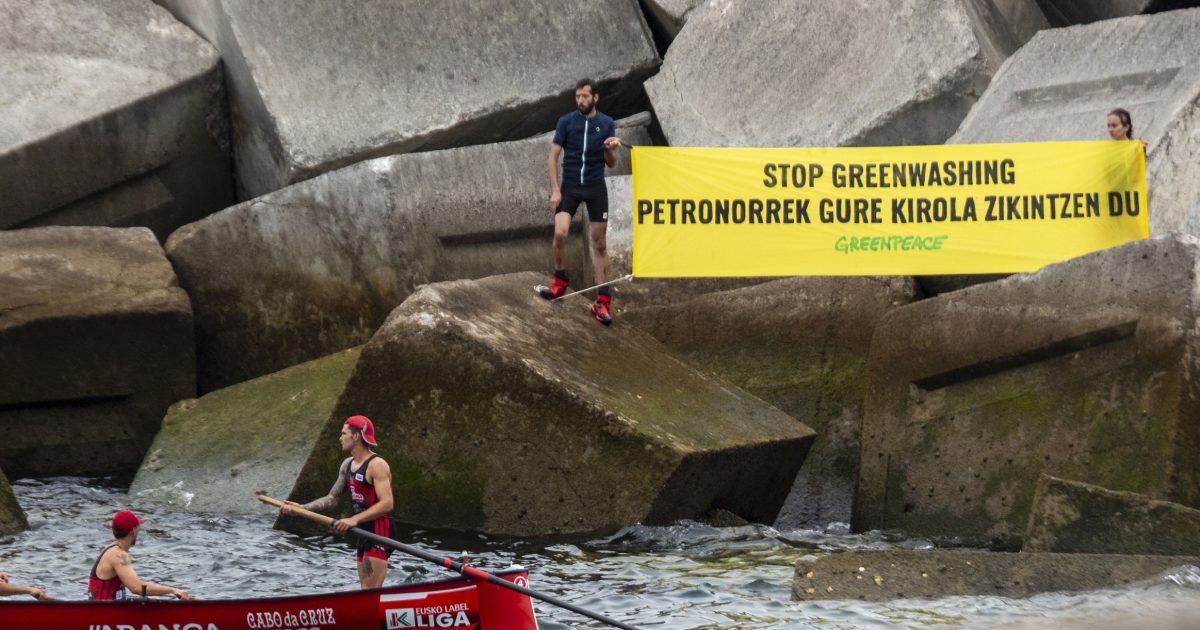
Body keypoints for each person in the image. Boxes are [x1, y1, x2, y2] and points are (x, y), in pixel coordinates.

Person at [539, 78, 622, 326]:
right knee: (560, 233)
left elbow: (611, 163)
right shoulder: (566, 122)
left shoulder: (606, 123)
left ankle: (602, 301)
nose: (581, 101)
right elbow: (552, 157)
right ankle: (559, 282)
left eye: (585, 96)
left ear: (595, 98)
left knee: (599, 244)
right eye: (577, 96)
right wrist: (556, 190)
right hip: (571, 187)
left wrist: (609, 148)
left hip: (596, 188)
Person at [282, 415, 394, 589]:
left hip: (379, 529)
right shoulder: (347, 465)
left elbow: (387, 503)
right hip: (362, 530)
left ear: (356, 436)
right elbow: (332, 499)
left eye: (343, 434)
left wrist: (353, 519)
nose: (340, 438)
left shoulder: (377, 465)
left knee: (370, 590)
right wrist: (302, 508)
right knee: (365, 588)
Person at [87, 510, 188, 601]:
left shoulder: (111, 549)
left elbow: (137, 586)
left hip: (108, 608)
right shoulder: (120, 555)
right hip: (105, 612)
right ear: (134, 530)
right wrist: (172, 590)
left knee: (145, 600)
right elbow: (137, 588)